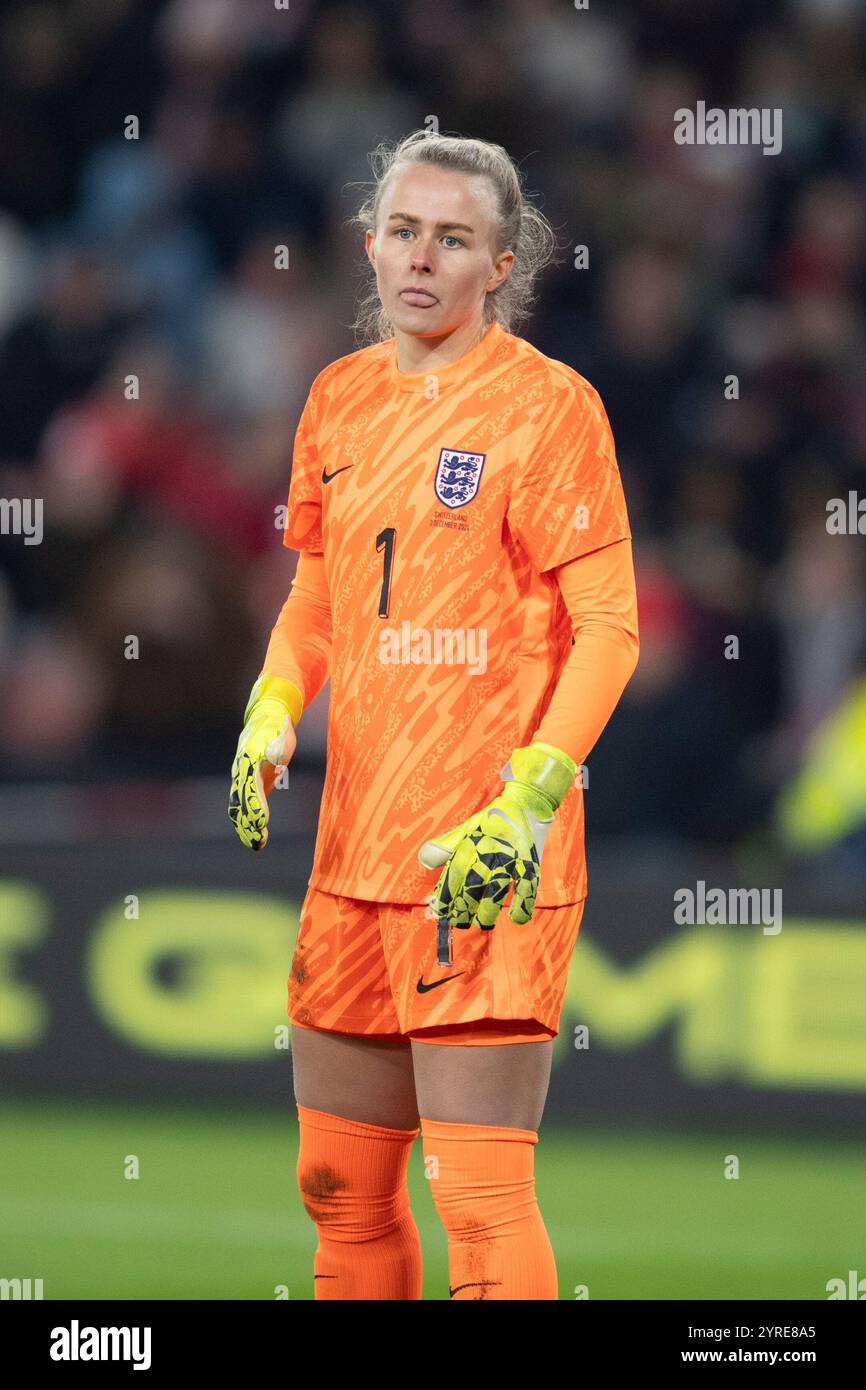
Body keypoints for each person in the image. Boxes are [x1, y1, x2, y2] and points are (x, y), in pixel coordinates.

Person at [228, 130, 639, 1300]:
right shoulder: (337, 401)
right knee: (337, 1189)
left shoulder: (551, 409)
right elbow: (317, 594)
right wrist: (269, 708)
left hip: (482, 853)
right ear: (368, 244)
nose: (421, 257)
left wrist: (527, 799)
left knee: (478, 1197)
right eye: (403, 231)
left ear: (499, 263)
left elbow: (610, 627)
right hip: (351, 848)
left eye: (451, 238)